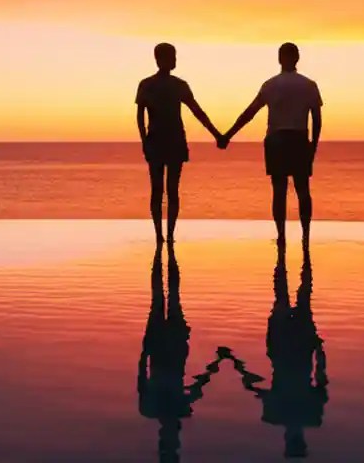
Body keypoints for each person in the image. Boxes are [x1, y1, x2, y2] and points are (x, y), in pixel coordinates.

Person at [223, 240, 328, 458]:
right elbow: (321, 378)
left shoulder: (278, 415)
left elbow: (321, 378)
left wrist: (317, 348)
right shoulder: (308, 417)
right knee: (296, 297)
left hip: (288, 351)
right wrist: (318, 348)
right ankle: (295, 255)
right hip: (292, 351)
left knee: (292, 296)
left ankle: (286, 256)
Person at [221, 43, 323, 243]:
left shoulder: (270, 85)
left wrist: (228, 135)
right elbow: (317, 120)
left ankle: (281, 235)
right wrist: (313, 147)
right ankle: (305, 234)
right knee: (303, 189)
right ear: (297, 59)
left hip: (276, 140)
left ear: (279, 59)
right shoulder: (309, 85)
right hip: (299, 139)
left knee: (279, 191)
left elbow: (249, 113)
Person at [138, 242, 222, 463]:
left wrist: (144, 351)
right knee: (168, 298)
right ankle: (167, 252)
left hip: (162, 350)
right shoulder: (176, 409)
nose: (168, 436)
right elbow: (198, 384)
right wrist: (218, 362)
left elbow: (141, 379)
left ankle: (164, 251)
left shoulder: (150, 409)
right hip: (171, 351)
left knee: (162, 298)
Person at [137, 43, 223, 242]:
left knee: (166, 189)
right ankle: (162, 234)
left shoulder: (171, 85)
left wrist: (216, 134)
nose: (174, 61)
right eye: (172, 57)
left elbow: (197, 111)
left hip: (167, 140)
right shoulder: (152, 84)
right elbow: (141, 115)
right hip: (164, 140)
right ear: (160, 59)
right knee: (161, 189)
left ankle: (167, 234)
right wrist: (144, 140)